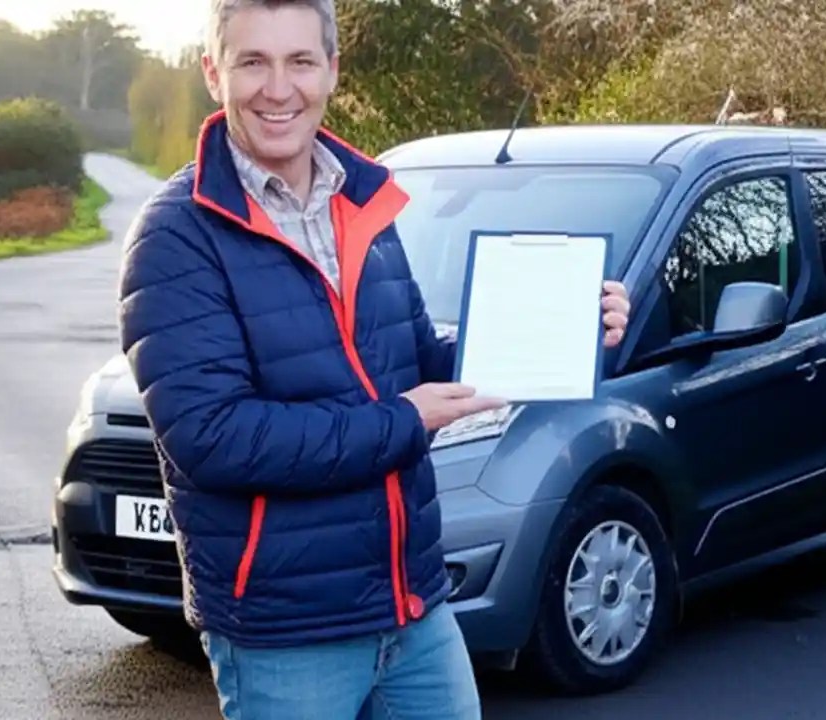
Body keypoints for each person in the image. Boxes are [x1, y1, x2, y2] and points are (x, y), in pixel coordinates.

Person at [116, 1, 631, 718]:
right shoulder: (176, 235)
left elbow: (418, 359)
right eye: (252, 62)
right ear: (213, 73)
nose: (278, 87)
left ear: (332, 69)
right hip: (288, 632)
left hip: (413, 607)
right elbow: (216, 438)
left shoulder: (365, 206)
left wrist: (564, 328)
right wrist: (401, 423)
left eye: (300, 61)